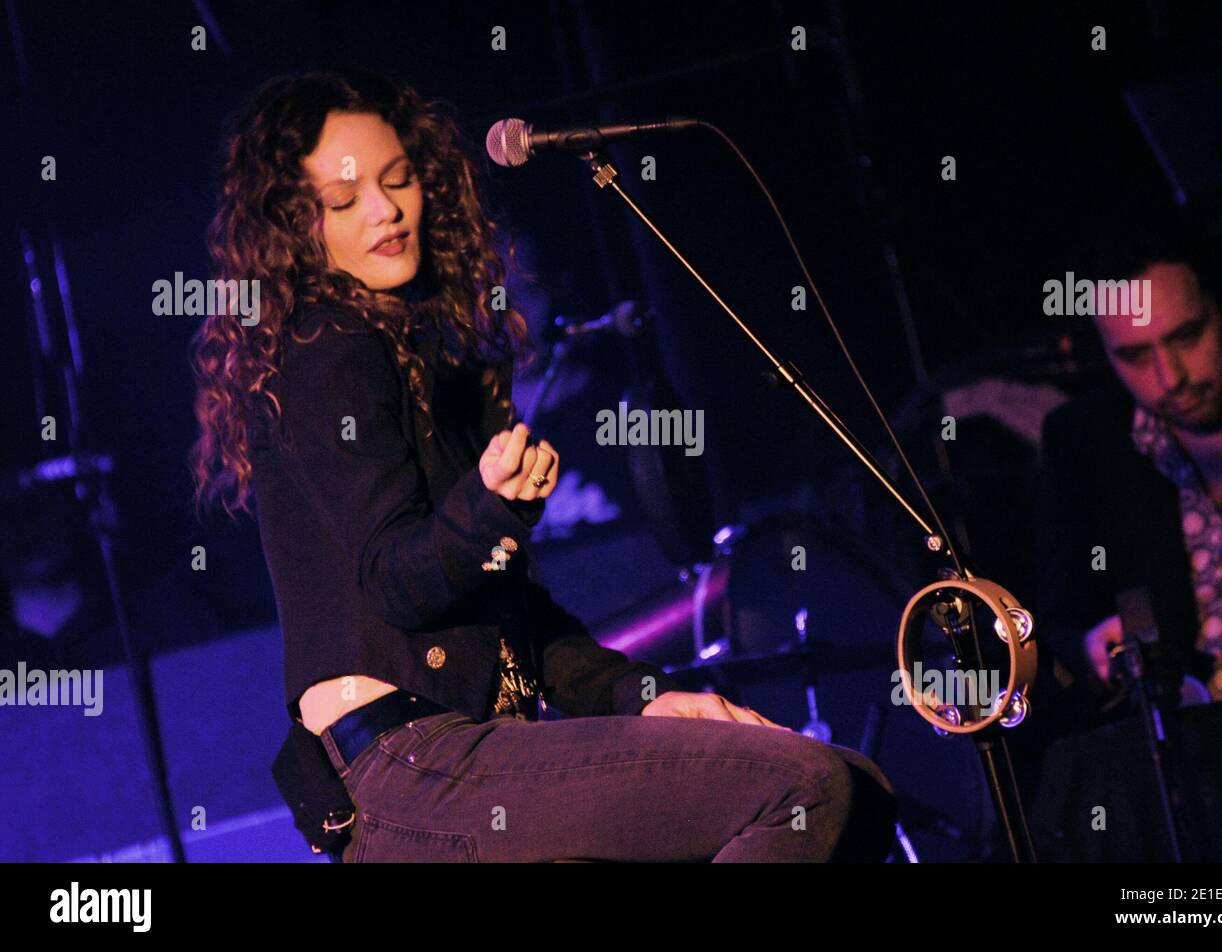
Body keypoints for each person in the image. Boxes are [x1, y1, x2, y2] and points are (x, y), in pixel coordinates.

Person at [188, 67, 895, 862]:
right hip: (404, 766)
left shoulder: (430, 363)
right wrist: (488, 507)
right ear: (294, 227)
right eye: (345, 201)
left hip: (468, 752)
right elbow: (395, 577)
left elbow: (511, 618)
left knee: (852, 782)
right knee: (808, 786)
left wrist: (644, 697)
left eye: (398, 180)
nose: (385, 211)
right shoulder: (331, 350)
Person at [1037, 221, 1222, 711]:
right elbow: (1059, 621)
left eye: (1187, 336)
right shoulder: (1083, 439)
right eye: (1135, 355)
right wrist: (1096, 650)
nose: (1170, 377)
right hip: (1194, 739)